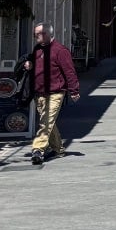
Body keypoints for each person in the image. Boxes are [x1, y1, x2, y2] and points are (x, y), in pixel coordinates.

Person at [21, 22, 81, 166]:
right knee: (48, 121)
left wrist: (74, 90)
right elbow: (35, 63)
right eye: (35, 34)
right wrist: (29, 64)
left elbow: (69, 71)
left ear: (47, 34)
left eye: (37, 34)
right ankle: (58, 149)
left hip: (56, 92)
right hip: (40, 92)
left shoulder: (60, 51)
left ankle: (38, 149)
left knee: (46, 120)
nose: (35, 37)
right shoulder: (37, 49)